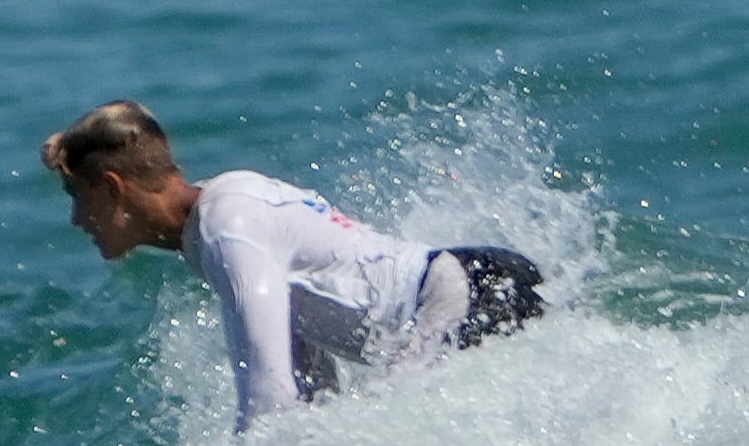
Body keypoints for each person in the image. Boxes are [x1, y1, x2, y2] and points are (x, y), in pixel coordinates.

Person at [40, 100, 545, 428]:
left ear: (112, 188)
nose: (75, 219)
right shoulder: (219, 225)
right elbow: (305, 394)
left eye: (76, 197)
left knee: (385, 433)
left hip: (470, 297)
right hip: (485, 285)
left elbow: (269, 395)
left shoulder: (227, 227)